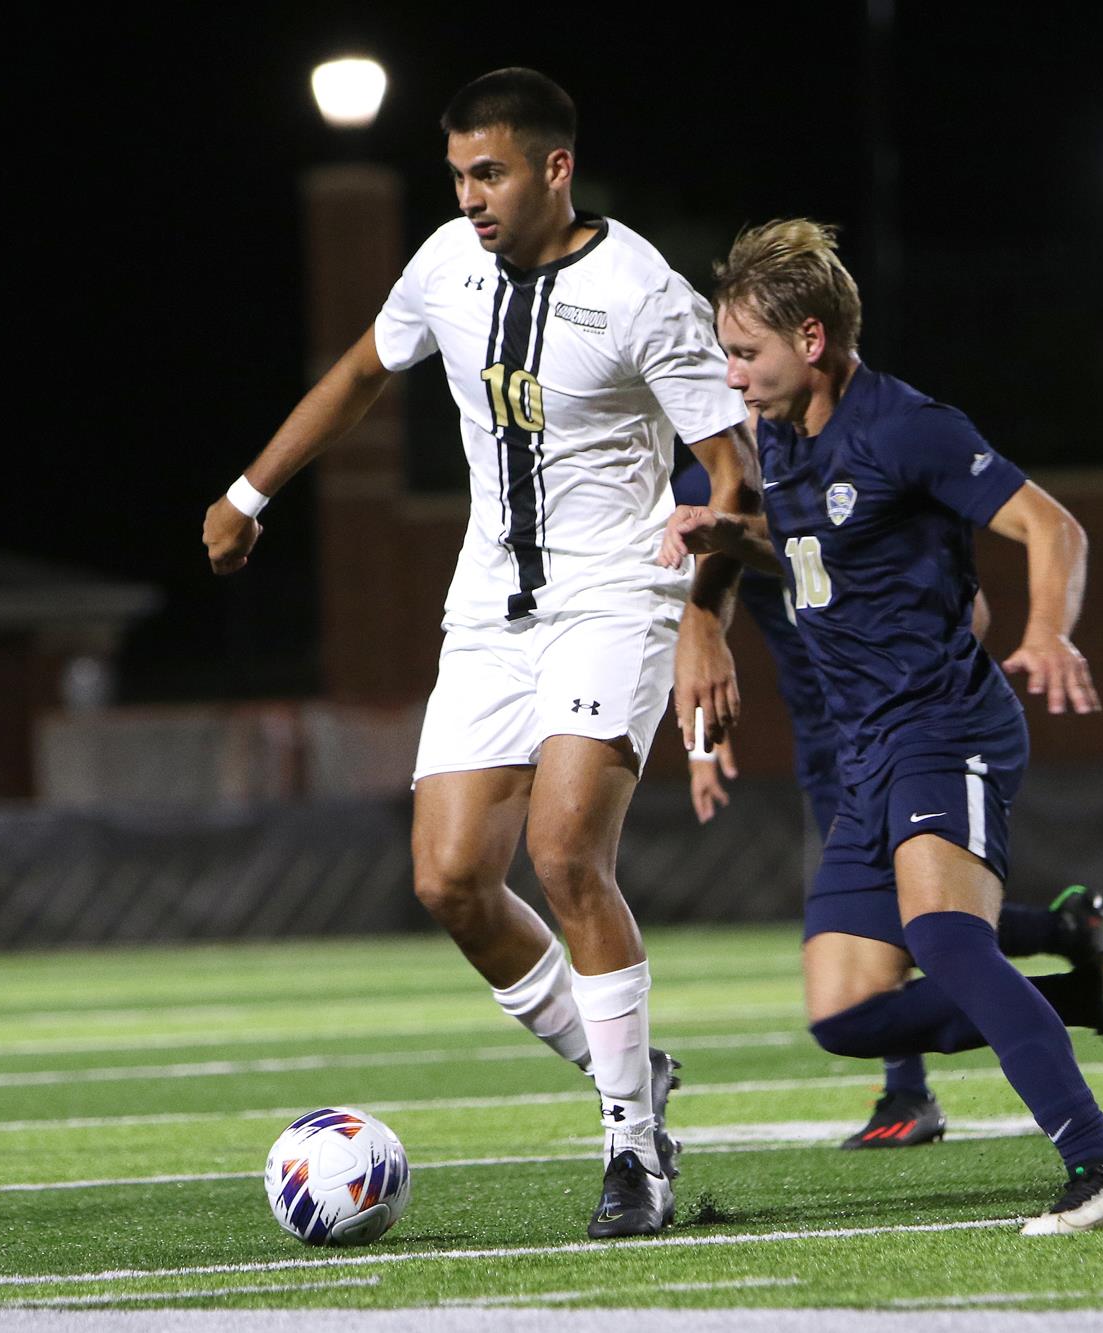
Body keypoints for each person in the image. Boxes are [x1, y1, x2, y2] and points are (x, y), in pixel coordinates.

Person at [202, 68, 759, 1238]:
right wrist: (250, 493)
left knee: (563, 854)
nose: (468, 197)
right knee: (451, 879)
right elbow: (362, 370)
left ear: (556, 168)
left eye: (490, 173)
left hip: (615, 598)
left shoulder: (640, 291)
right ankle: (630, 1073)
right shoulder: (445, 267)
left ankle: (631, 1149)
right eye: (457, 174)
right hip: (487, 612)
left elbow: (733, 474)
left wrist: (704, 617)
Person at [660, 218, 1103, 1233]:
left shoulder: (904, 426)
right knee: (846, 1015)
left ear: (810, 339)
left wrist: (1048, 632)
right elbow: (811, 551)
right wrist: (729, 537)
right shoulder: (776, 435)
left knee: (944, 935)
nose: (730, 374)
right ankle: (1086, 996)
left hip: (943, 722)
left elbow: (1052, 525)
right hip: (864, 748)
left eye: (745, 351)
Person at [673, 464, 1103, 1150]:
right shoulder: (716, 483)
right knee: (849, 1003)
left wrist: (941, 698)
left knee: (937, 931)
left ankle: (1075, 1149)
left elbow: (995, 579)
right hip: (835, 741)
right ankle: (1073, 956)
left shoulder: (867, 445)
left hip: (917, 732)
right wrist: (700, 733)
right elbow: (704, 597)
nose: (744, 401)